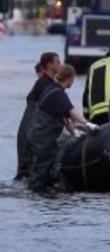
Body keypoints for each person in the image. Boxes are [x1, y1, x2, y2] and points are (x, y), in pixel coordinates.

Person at [28, 64, 93, 192]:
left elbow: (65, 119)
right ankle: (37, 198)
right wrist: (88, 123)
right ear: (69, 78)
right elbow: (71, 111)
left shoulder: (53, 89)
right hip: (43, 139)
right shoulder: (57, 93)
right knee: (41, 172)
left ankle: (41, 192)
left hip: (39, 137)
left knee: (41, 169)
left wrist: (75, 133)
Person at [15, 52, 62, 180]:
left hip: (28, 134)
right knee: (30, 173)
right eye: (58, 62)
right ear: (48, 65)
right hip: (31, 136)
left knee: (25, 174)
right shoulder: (45, 85)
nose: (60, 65)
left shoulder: (45, 84)